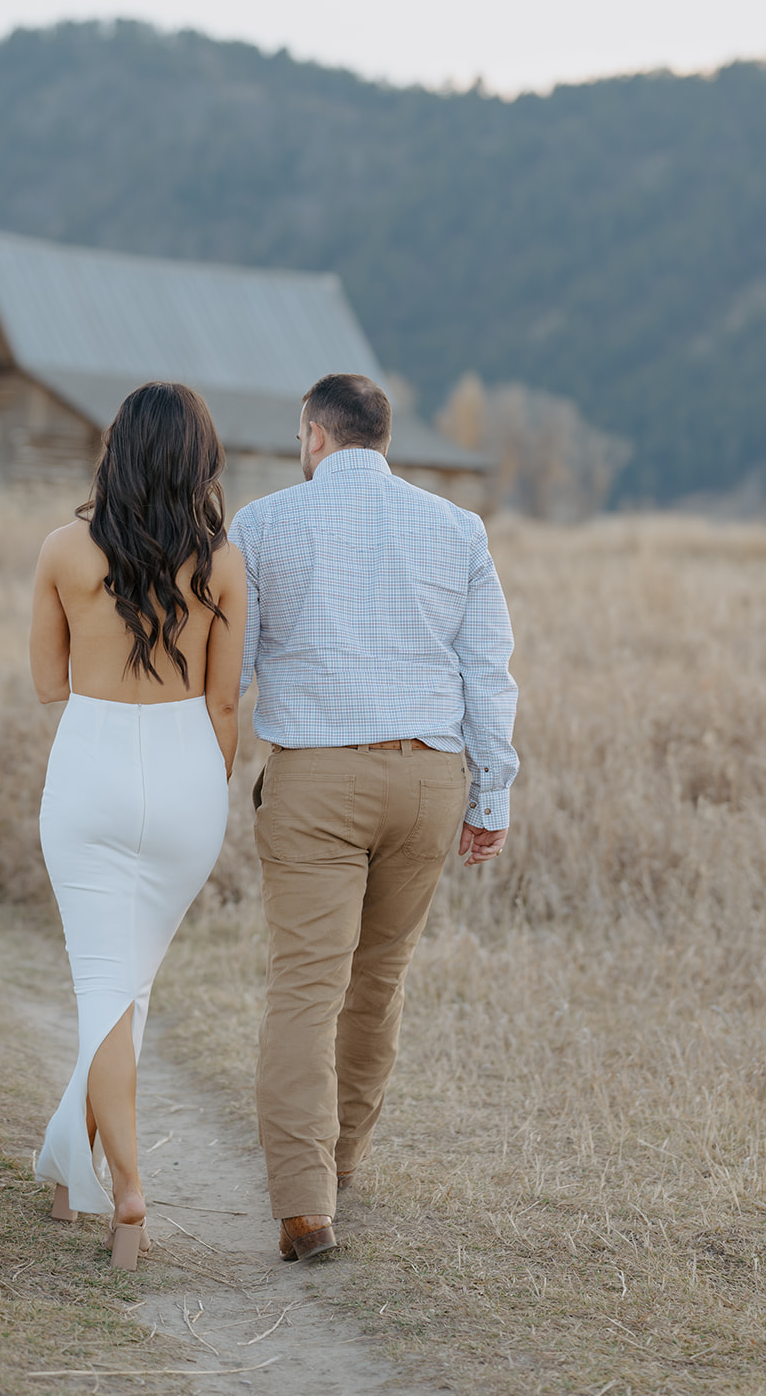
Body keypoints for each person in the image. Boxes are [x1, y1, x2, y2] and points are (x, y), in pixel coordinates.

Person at [229, 372, 517, 1264]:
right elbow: (487, 673)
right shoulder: (457, 528)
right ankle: (341, 1161)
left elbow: (230, 672)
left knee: (304, 990)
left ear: (315, 434)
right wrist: (491, 795)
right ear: (382, 438)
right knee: (378, 984)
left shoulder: (261, 524)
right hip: (428, 780)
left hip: (315, 779)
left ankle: (304, 1206)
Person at [29, 382, 247, 1270]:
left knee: (105, 990)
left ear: (114, 450)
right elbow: (225, 703)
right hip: (190, 776)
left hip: (91, 768)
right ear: (200, 460)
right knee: (126, 989)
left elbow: (48, 683)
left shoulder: (62, 550)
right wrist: (205, 788)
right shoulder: (223, 564)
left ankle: (126, 1193)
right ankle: (63, 1161)